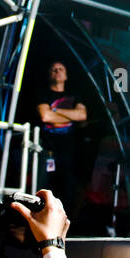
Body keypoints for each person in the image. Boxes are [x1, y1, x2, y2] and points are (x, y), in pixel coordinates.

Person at [36, 60, 90, 222]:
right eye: (54, 69)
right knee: (46, 188)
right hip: (47, 149)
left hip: (69, 150)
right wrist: (70, 114)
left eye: (61, 69)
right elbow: (45, 116)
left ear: (66, 75)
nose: (57, 71)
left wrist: (56, 111)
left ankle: (66, 222)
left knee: (68, 189)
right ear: (49, 74)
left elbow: (82, 116)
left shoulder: (74, 96)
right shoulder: (43, 94)